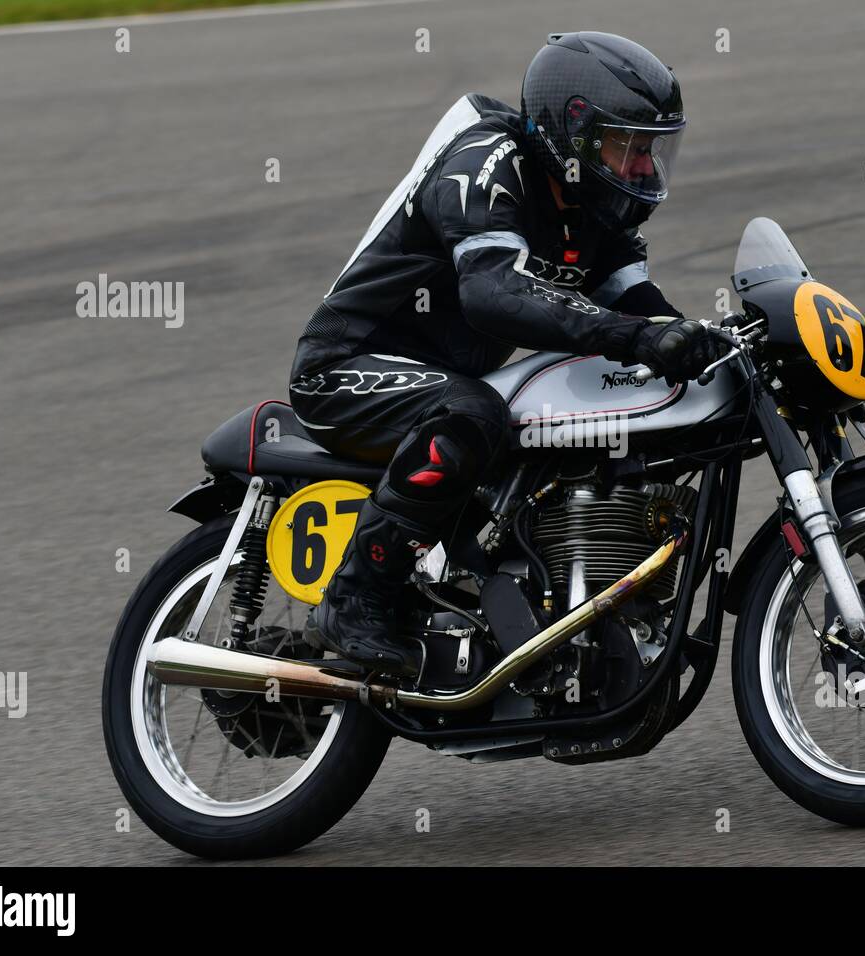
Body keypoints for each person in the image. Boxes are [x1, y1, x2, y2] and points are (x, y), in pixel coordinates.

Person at [293, 31, 722, 676]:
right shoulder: (487, 163)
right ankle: (355, 599)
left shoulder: (591, 212)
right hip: (346, 366)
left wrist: (705, 345)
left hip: (441, 383)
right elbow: (492, 294)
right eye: (627, 146)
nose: (642, 168)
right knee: (475, 414)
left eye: (651, 149)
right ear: (571, 135)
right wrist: (636, 337)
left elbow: (638, 305)